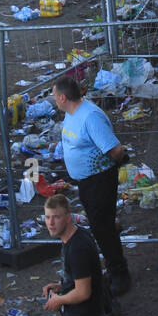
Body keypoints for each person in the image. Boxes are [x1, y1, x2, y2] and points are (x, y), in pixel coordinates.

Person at [52, 75, 131, 296]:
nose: (54, 100)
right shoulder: (73, 113)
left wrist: (113, 165)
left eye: (55, 96)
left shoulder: (90, 117)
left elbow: (115, 150)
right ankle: (113, 268)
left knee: (102, 227)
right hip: (87, 181)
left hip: (100, 179)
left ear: (64, 97)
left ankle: (120, 273)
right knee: (100, 226)